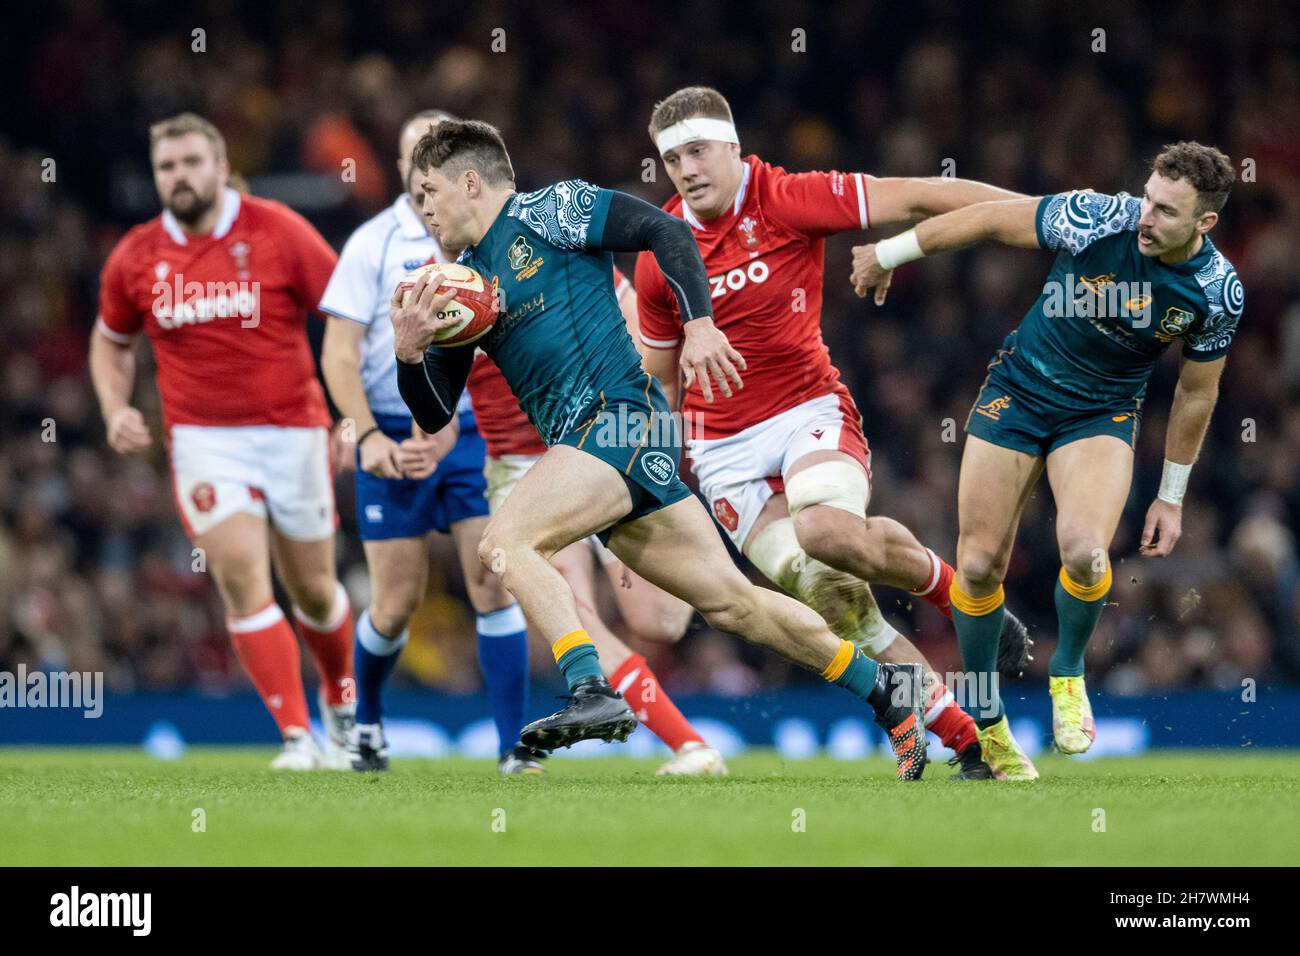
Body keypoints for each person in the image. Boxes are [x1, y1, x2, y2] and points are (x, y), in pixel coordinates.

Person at [394, 119, 929, 780]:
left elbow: (665, 231)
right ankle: (891, 701)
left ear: (470, 182)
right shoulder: (460, 286)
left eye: (429, 191)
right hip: (606, 453)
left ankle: (591, 689)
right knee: (736, 605)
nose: (422, 207)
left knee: (505, 541)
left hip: (620, 421)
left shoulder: (553, 211)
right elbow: (434, 410)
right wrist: (409, 351)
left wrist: (699, 323)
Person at [634, 87, 1032, 777]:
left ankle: (964, 598)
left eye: (697, 150)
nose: (687, 168)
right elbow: (658, 381)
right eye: (671, 159)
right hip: (722, 452)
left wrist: (1038, 214)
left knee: (826, 532)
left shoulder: (785, 198)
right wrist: (647, 471)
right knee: (842, 610)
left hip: (805, 412)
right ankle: (975, 742)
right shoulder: (658, 253)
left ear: (732, 146)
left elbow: (910, 196)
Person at [851, 142, 1242, 779]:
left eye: (1167, 212)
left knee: (1086, 550)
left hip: (1101, 414)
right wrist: (889, 252)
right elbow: (983, 218)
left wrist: (1171, 495)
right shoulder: (1096, 217)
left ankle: (1067, 674)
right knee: (976, 566)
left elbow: (1197, 392)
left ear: (1205, 223)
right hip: (1018, 394)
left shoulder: (1216, 292)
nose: (1146, 218)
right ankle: (988, 726)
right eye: (1147, 198)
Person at [90, 113, 355, 770]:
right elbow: (110, 340)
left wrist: (357, 414)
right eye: (166, 167)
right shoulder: (138, 255)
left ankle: (341, 705)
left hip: (294, 430)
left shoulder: (277, 229)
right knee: (240, 572)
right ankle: (297, 737)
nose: (178, 176)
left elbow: (348, 312)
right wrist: (114, 405)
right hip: (204, 441)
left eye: (189, 162)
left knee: (316, 590)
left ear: (218, 163)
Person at [319, 110, 536, 774]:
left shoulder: (496, 236)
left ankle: (512, 748)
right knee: (394, 603)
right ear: (404, 168)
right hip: (392, 431)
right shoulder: (372, 244)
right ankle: (369, 729)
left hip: (474, 431)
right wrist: (364, 438)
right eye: (419, 158)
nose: (429, 172)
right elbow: (339, 355)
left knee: (493, 582)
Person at [467, 267, 725, 776]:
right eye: (421, 192)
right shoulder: (447, 290)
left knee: (661, 621)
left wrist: (654, 441)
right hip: (523, 471)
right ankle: (691, 745)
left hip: (602, 448)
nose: (429, 208)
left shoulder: (574, 266)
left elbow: (645, 352)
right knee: (575, 612)